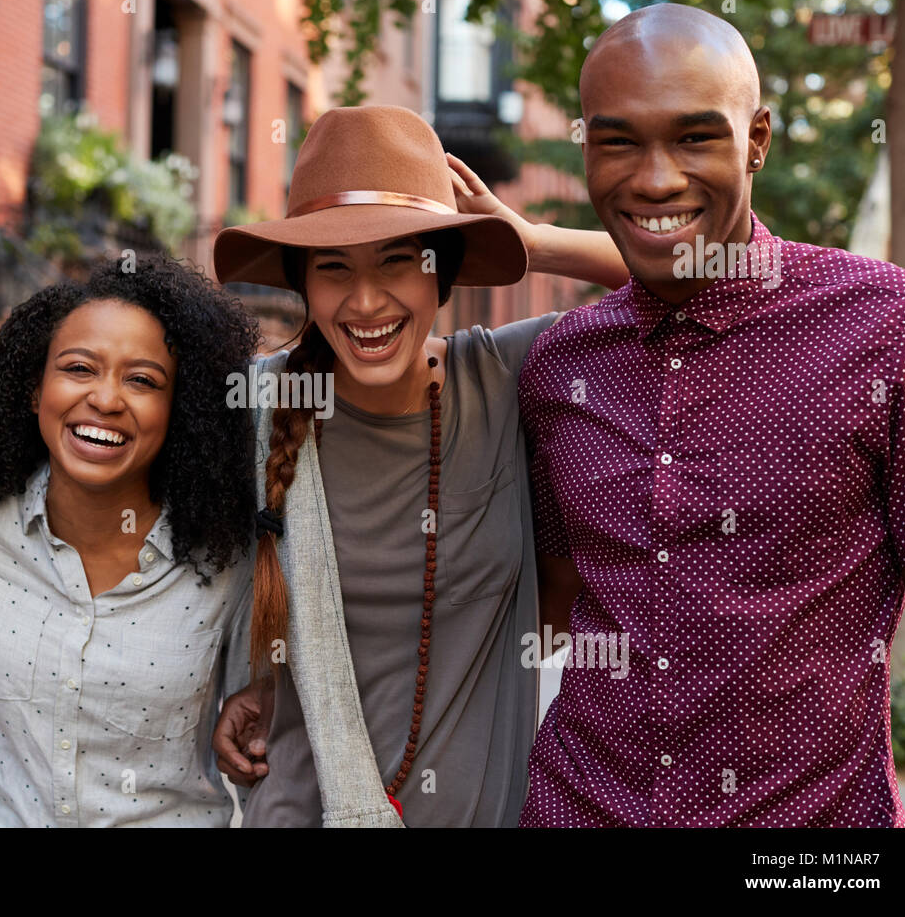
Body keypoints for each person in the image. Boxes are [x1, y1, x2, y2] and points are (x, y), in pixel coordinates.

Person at [518, 3, 905, 827]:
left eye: (696, 137)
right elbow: (549, 612)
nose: (656, 178)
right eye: (618, 141)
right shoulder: (558, 367)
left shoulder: (895, 330)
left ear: (758, 141)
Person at [210, 104, 629, 826]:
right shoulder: (257, 403)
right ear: (302, 285)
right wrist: (256, 687)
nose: (366, 301)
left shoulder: (507, 377)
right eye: (333, 268)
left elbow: (712, 281)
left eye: (399, 262)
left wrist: (532, 241)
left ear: (446, 275)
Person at [0, 256, 258, 826]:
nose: (105, 399)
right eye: (79, 368)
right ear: (35, 389)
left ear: (182, 411)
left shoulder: (229, 557)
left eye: (143, 380)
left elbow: (262, 744)